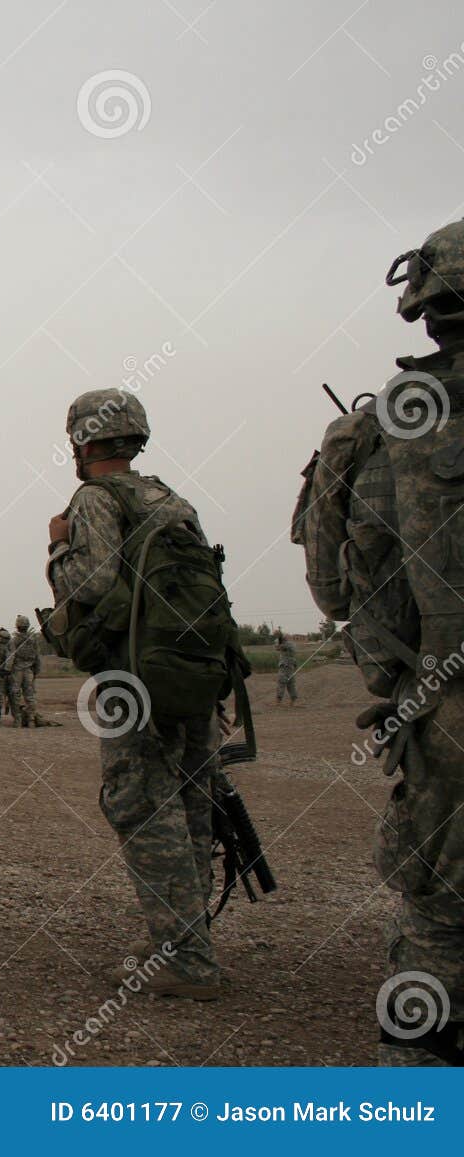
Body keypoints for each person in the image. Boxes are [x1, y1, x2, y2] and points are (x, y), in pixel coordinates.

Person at [296, 217, 464, 1063]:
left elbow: (332, 591)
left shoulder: (373, 430)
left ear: (424, 305)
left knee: (438, 914)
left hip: (441, 709)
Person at [47, 388, 222, 1000]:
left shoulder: (95, 499)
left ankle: (188, 962)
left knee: (144, 807)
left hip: (135, 678)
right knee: (192, 807)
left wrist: (57, 545)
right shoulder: (171, 500)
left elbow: (91, 582)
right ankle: (186, 940)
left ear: (83, 440)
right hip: (192, 675)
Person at [9, 614, 42, 727]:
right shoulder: (33, 640)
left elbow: (11, 656)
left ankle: (17, 720)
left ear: (17, 626)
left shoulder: (14, 640)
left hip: (17, 671)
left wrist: (7, 669)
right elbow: (37, 656)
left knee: (15, 694)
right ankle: (31, 719)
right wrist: (37, 670)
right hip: (29, 671)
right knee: (30, 695)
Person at [275, 632, 299, 706]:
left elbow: (278, 647)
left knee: (281, 682)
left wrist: (280, 637)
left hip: (285, 665)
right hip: (291, 666)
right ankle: (293, 701)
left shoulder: (287, 644)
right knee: (291, 683)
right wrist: (280, 638)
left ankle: (278, 701)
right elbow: (278, 647)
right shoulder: (292, 644)